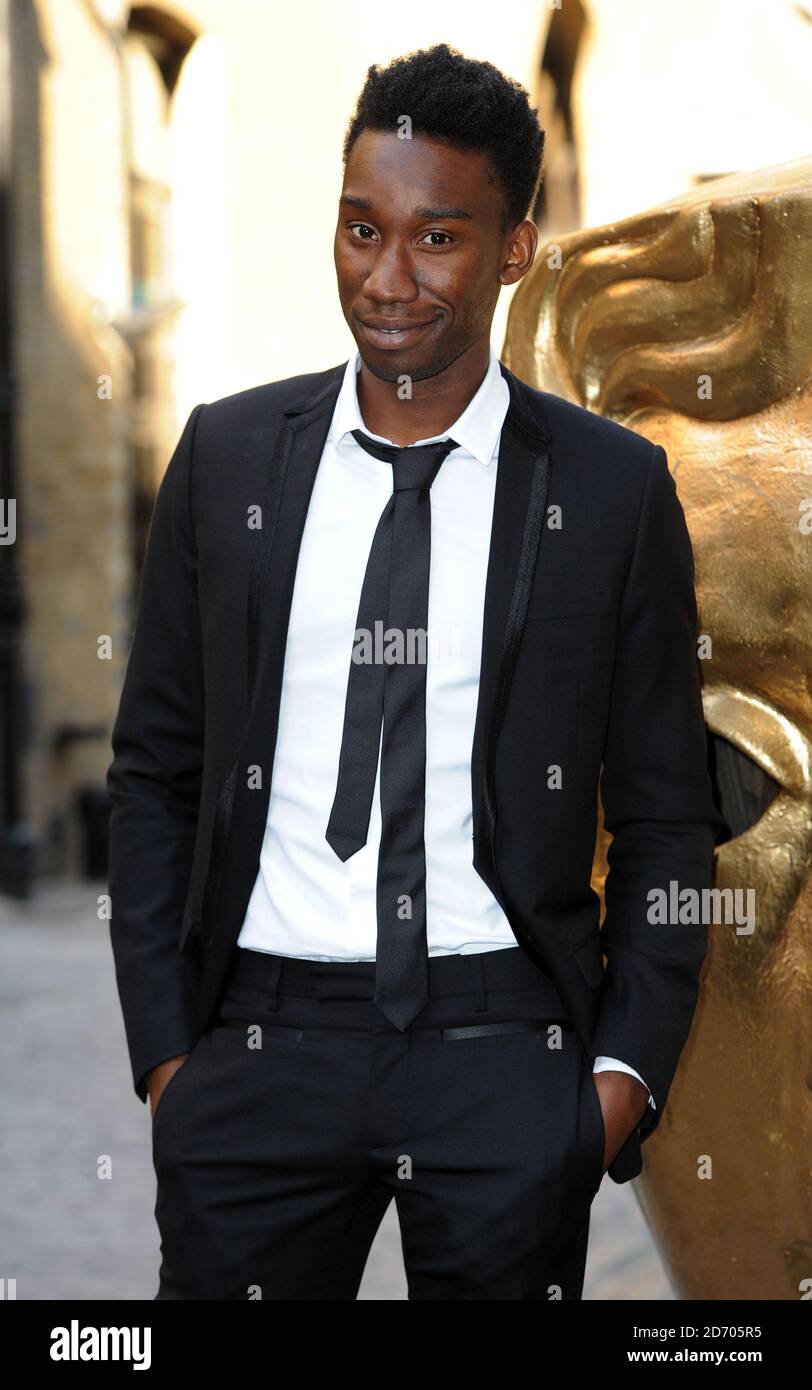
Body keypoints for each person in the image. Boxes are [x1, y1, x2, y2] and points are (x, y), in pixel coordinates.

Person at [106, 42, 722, 1300]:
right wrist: (172, 1058)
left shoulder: (608, 493)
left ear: (512, 250)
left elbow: (668, 812)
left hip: (505, 1046)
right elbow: (153, 772)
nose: (386, 278)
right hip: (259, 1051)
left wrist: (616, 1082)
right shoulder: (227, 463)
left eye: (435, 237)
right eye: (359, 230)